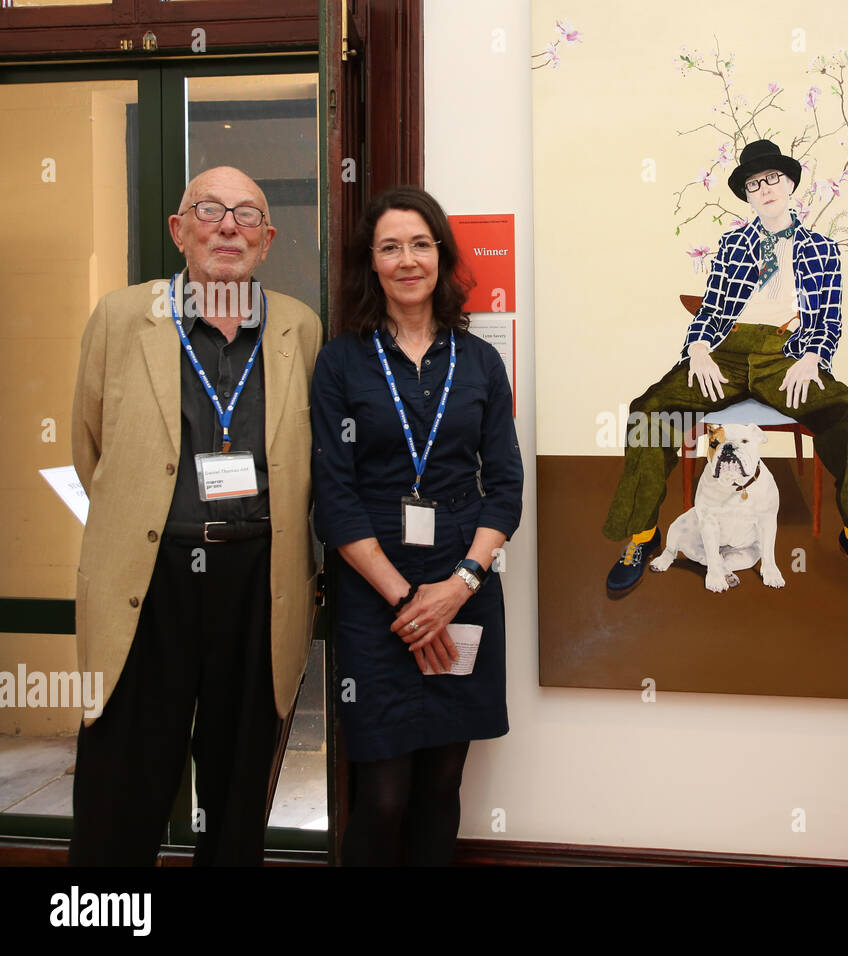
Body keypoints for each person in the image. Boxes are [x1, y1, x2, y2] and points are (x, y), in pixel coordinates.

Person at [69, 166, 321, 865]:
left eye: (247, 215)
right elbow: (88, 446)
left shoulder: (300, 328)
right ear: (180, 230)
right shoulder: (123, 317)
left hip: (257, 579)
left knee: (237, 788)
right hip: (149, 580)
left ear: (266, 241)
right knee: (123, 780)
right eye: (209, 209)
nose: (228, 227)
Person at [311, 186, 523, 866]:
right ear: (371, 264)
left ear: (442, 256)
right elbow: (334, 499)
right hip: (378, 604)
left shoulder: (481, 362)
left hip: (462, 591)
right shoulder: (341, 362)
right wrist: (407, 601)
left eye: (421, 244)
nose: (408, 260)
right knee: (381, 794)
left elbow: (507, 488)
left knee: (442, 782)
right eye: (391, 247)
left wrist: (456, 587)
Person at [602, 139, 848, 596]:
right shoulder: (733, 243)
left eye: (772, 178)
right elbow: (713, 308)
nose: (765, 188)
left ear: (790, 183)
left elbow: (828, 318)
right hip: (728, 352)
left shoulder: (822, 250)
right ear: (748, 194)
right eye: (754, 183)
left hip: (787, 354)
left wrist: (812, 356)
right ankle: (642, 535)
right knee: (651, 408)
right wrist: (697, 347)